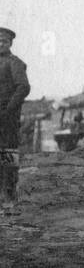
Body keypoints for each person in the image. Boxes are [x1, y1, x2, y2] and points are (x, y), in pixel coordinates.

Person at [0, 27, 31, 216]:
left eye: (3, 41)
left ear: (10, 43)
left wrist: (8, 110)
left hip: (7, 118)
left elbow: (23, 87)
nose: (0, 44)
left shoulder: (15, 63)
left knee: (8, 156)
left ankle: (10, 198)